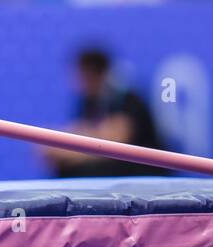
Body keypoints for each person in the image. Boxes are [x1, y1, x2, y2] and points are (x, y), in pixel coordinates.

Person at [43, 46, 169, 178]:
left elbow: (113, 143)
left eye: (79, 75)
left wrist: (66, 152)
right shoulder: (87, 101)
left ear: (92, 73)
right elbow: (81, 132)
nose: (75, 81)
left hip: (141, 173)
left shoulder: (127, 99)